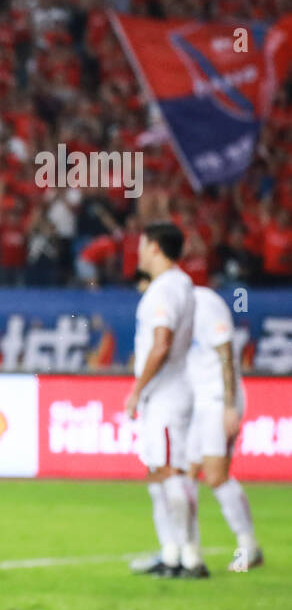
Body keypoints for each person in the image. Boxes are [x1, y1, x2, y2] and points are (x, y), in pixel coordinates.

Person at [125, 224, 201, 578]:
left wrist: (137, 389)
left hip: (166, 393)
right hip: (168, 391)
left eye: (142, 245)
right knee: (159, 474)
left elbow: (161, 344)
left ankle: (190, 557)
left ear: (154, 247)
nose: (139, 252)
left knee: (171, 474)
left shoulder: (166, 288)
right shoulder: (181, 284)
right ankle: (171, 553)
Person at [185, 283, 261, 572]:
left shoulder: (205, 302)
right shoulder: (168, 305)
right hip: (195, 400)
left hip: (218, 398)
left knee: (216, 476)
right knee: (185, 475)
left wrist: (229, 405)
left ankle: (248, 546)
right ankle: (187, 550)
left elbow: (226, 352)